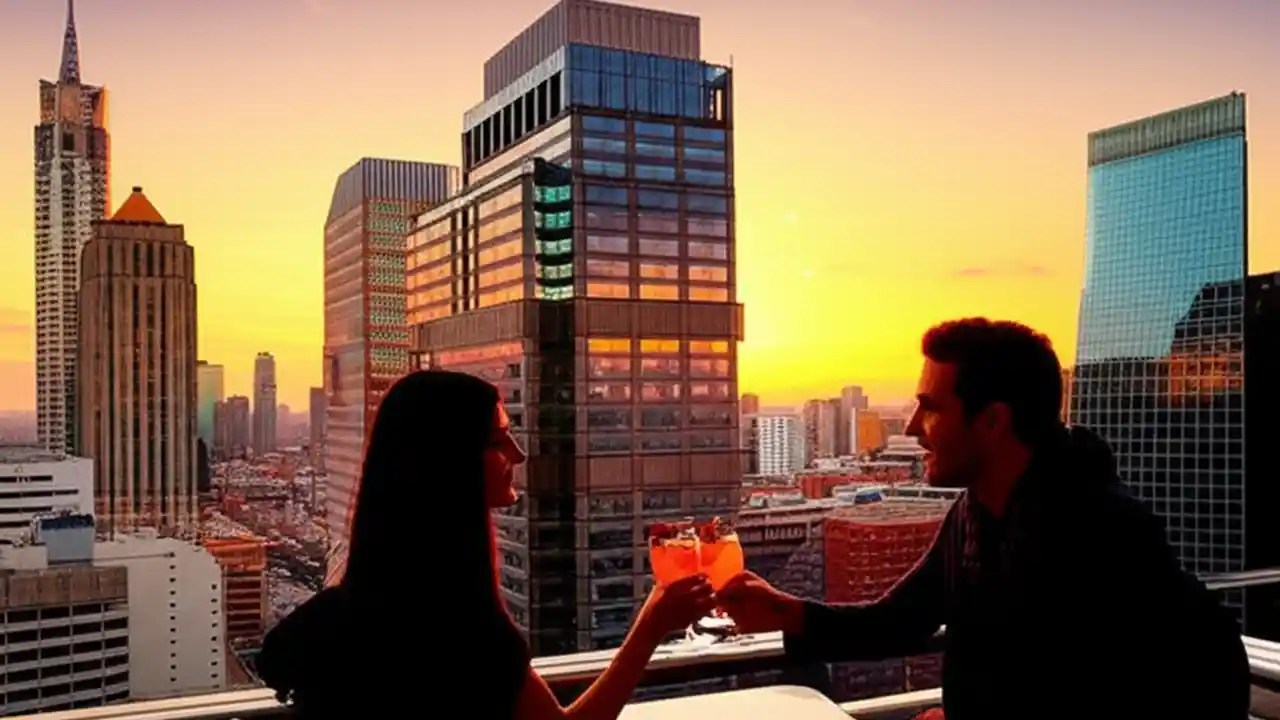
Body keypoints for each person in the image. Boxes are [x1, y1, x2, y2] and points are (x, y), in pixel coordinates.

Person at [718, 318, 1250, 718]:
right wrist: (784, 612)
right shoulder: (974, 512)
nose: (911, 427)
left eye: (931, 407)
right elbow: (903, 620)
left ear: (993, 421)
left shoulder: (1100, 534)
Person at [257, 370, 714, 717]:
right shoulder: (464, 635)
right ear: (446, 463)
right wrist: (652, 625)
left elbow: (276, 660)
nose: (517, 454)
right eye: (498, 440)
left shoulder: (338, 615)